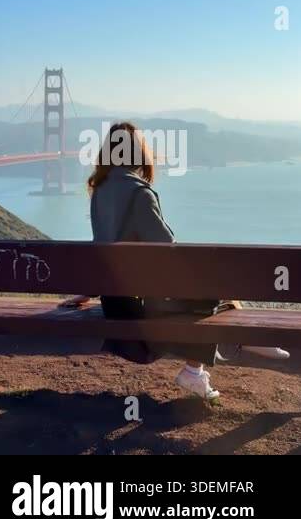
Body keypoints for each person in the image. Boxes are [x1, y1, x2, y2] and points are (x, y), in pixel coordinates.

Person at [88, 122, 289, 401]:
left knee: (206, 289)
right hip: (141, 311)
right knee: (208, 293)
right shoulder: (140, 194)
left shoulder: (99, 191)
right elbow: (167, 248)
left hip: (114, 305)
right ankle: (220, 354)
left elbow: (103, 246)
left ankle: (240, 340)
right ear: (139, 154)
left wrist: (86, 291)